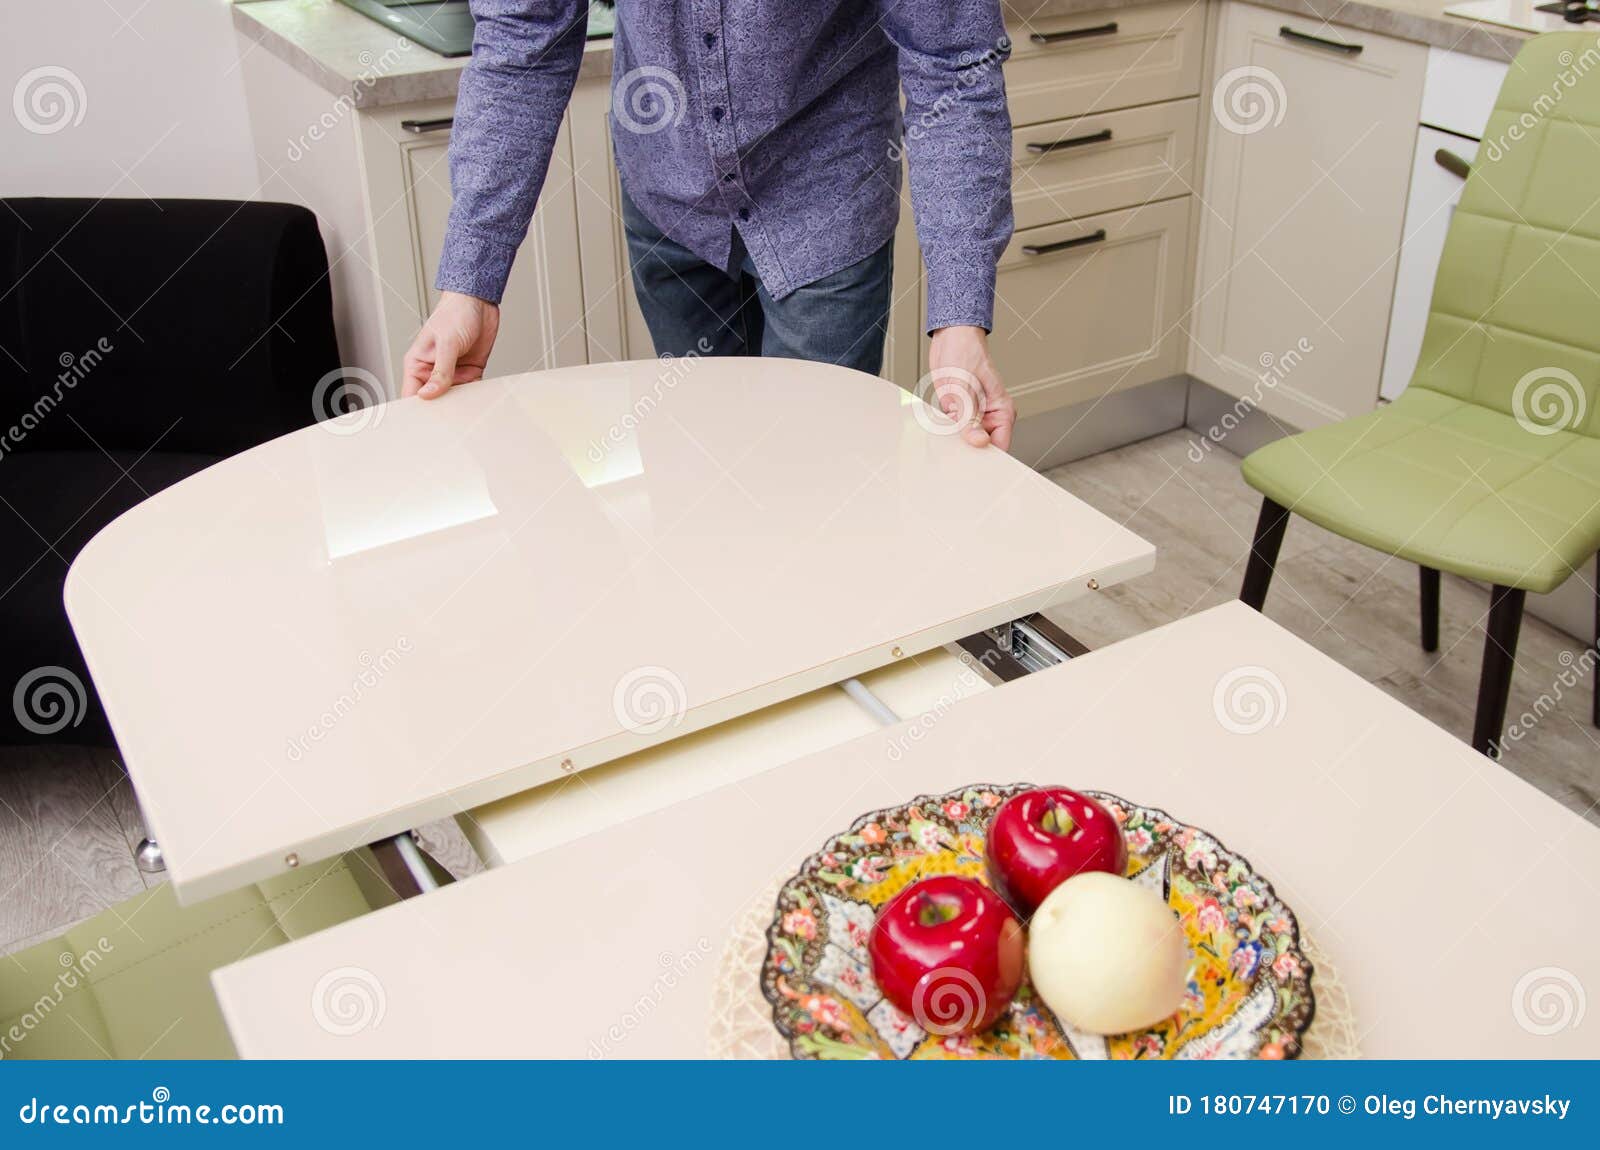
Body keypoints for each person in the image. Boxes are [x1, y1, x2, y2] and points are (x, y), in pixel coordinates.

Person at [403, 1, 1017, 450]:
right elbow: (521, 47)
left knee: (816, 483)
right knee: (693, 466)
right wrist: (470, 286)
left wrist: (960, 317)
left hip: (825, 202)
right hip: (670, 202)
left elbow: (956, 63)